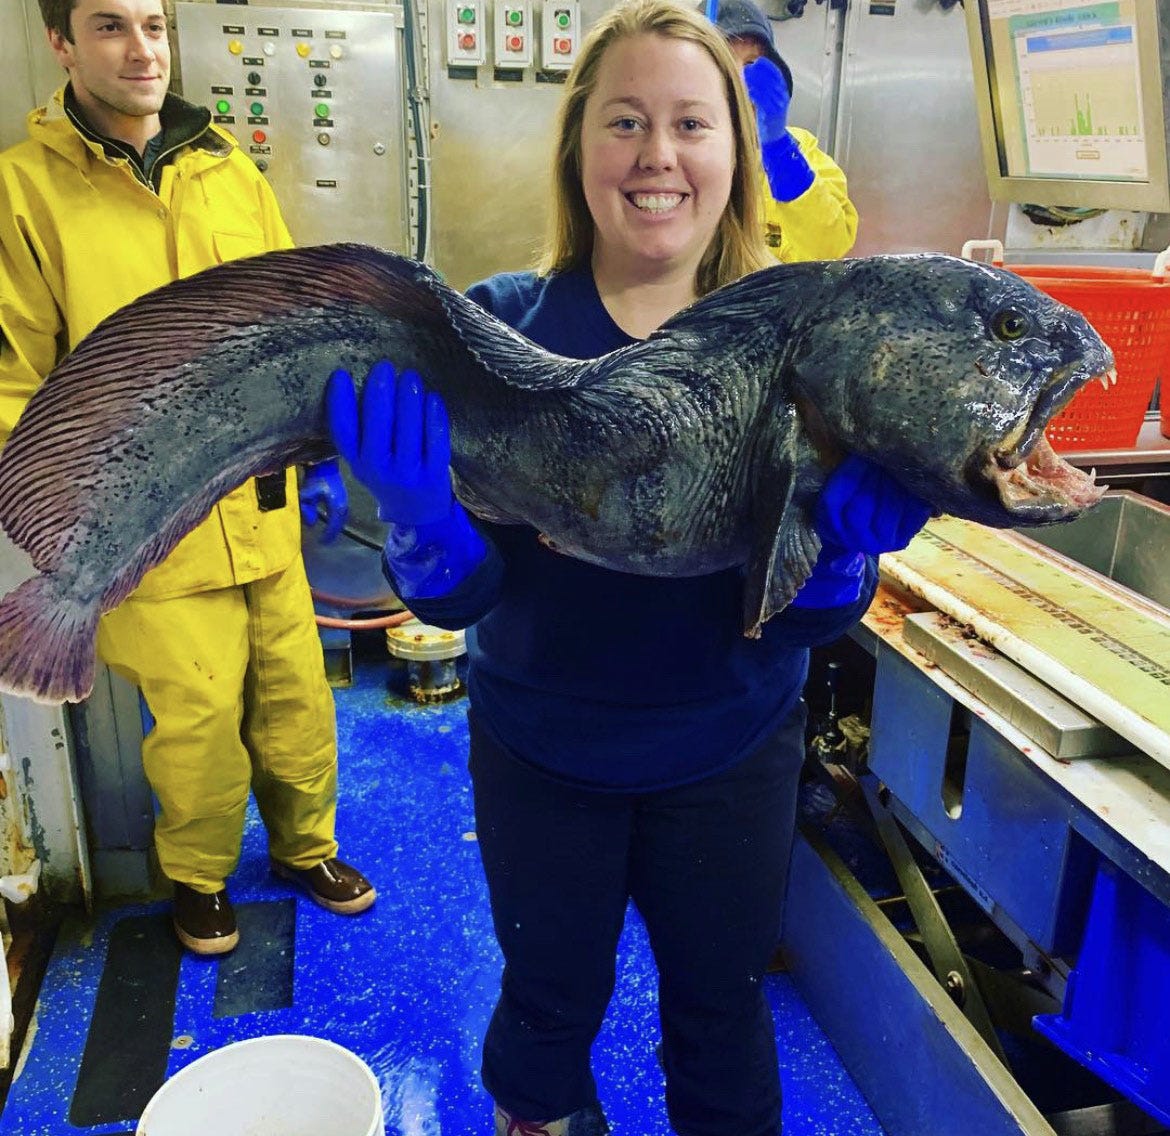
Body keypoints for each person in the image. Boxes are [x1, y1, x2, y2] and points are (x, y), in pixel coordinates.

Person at [327, 0, 928, 1131]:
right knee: (550, 1001)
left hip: (732, 752)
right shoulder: (498, 327)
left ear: (736, 153)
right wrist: (418, 518)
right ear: (577, 149)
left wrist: (840, 560)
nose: (658, 155)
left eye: (693, 124)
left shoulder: (795, 349)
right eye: (626, 122)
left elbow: (795, 623)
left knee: (723, 1009)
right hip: (543, 753)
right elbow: (463, 597)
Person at [0, 0, 374, 956]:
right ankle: (200, 880)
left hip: (259, 500)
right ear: (61, 42)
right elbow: (14, 382)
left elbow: (298, 322)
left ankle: (306, 847)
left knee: (298, 695)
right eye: (111, 25)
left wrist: (320, 449)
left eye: (156, 26)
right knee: (198, 724)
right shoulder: (24, 190)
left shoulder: (227, 168)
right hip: (147, 523)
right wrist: (68, 516)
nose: (141, 50)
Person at [713, 0, 858, 262]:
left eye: (751, 64)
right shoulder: (679, 155)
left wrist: (779, 152)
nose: (740, 82)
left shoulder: (801, 148)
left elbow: (831, 244)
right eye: (722, 65)